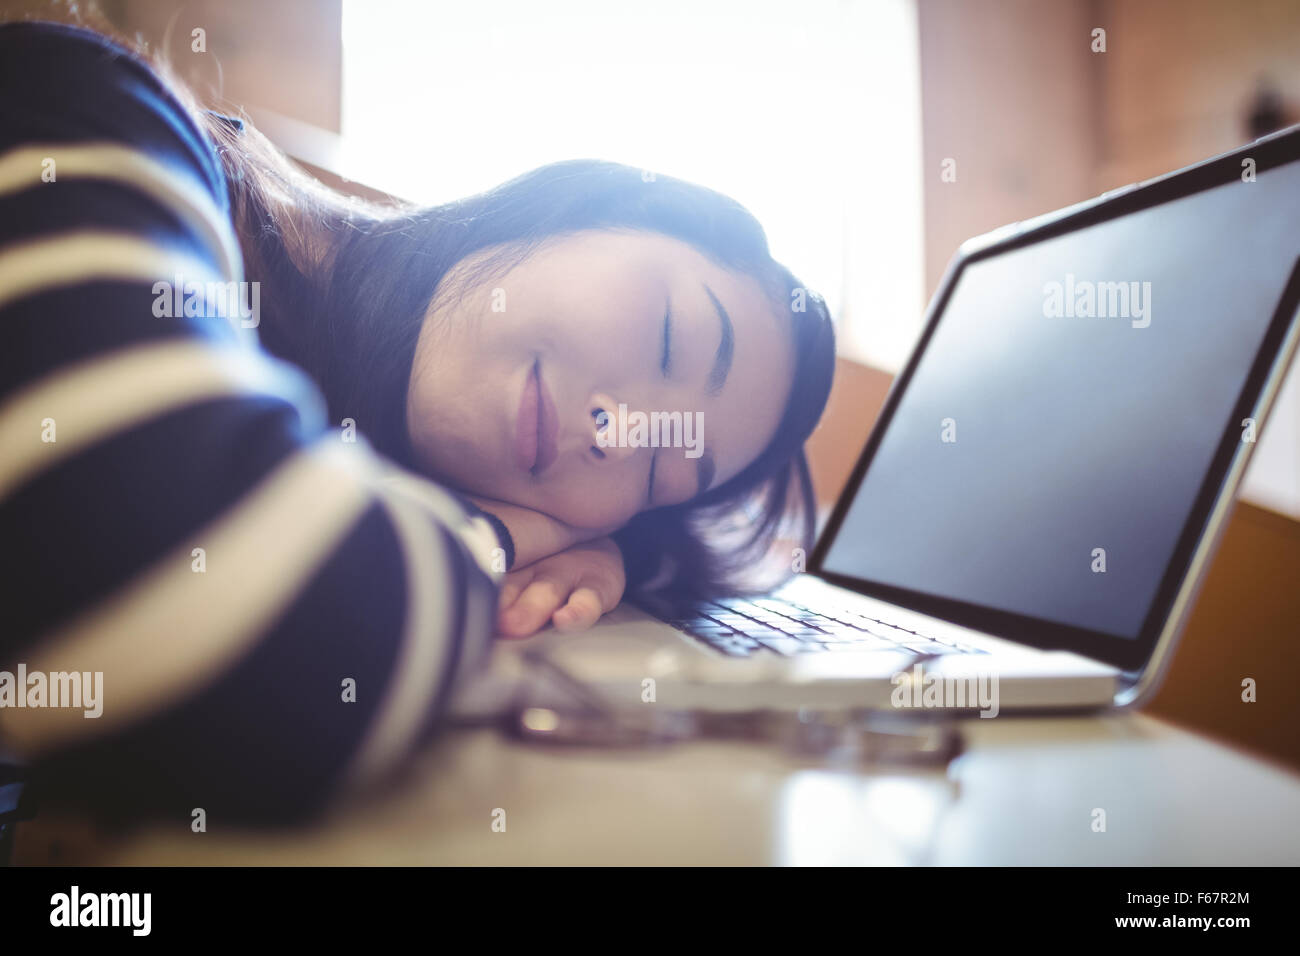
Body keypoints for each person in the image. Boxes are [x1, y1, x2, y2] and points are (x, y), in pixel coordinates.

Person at [0, 17, 834, 825]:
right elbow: (199, 640)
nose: (616, 434)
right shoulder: (93, 117)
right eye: (667, 337)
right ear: (580, 209)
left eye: (658, 473)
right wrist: (495, 537)